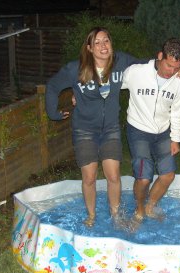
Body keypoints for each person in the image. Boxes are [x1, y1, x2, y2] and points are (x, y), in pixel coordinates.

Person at [45, 27, 146, 227]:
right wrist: (52, 113)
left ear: (111, 44)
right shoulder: (76, 69)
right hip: (84, 130)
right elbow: (53, 86)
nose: (103, 46)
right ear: (89, 48)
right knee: (89, 178)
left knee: (114, 175)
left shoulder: (121, 62)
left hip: (110, 129)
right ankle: (91, 216)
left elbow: (147, 66)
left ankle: (116, 216)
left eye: (106, 41)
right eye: (97, 43)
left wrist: (172, 66)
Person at [121, 38, 180, 225]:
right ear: (160, 56)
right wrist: (85, 94)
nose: (171, 72)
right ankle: (140, 209)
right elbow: (111, 84)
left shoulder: (179, 80)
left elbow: (177, 111)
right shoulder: (136, 72)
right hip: (138, 130)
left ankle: (150, 205)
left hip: (163, 132)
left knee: (168, 175)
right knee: (143, 178)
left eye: (177, 67)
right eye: (168, 65)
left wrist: (175, 138)